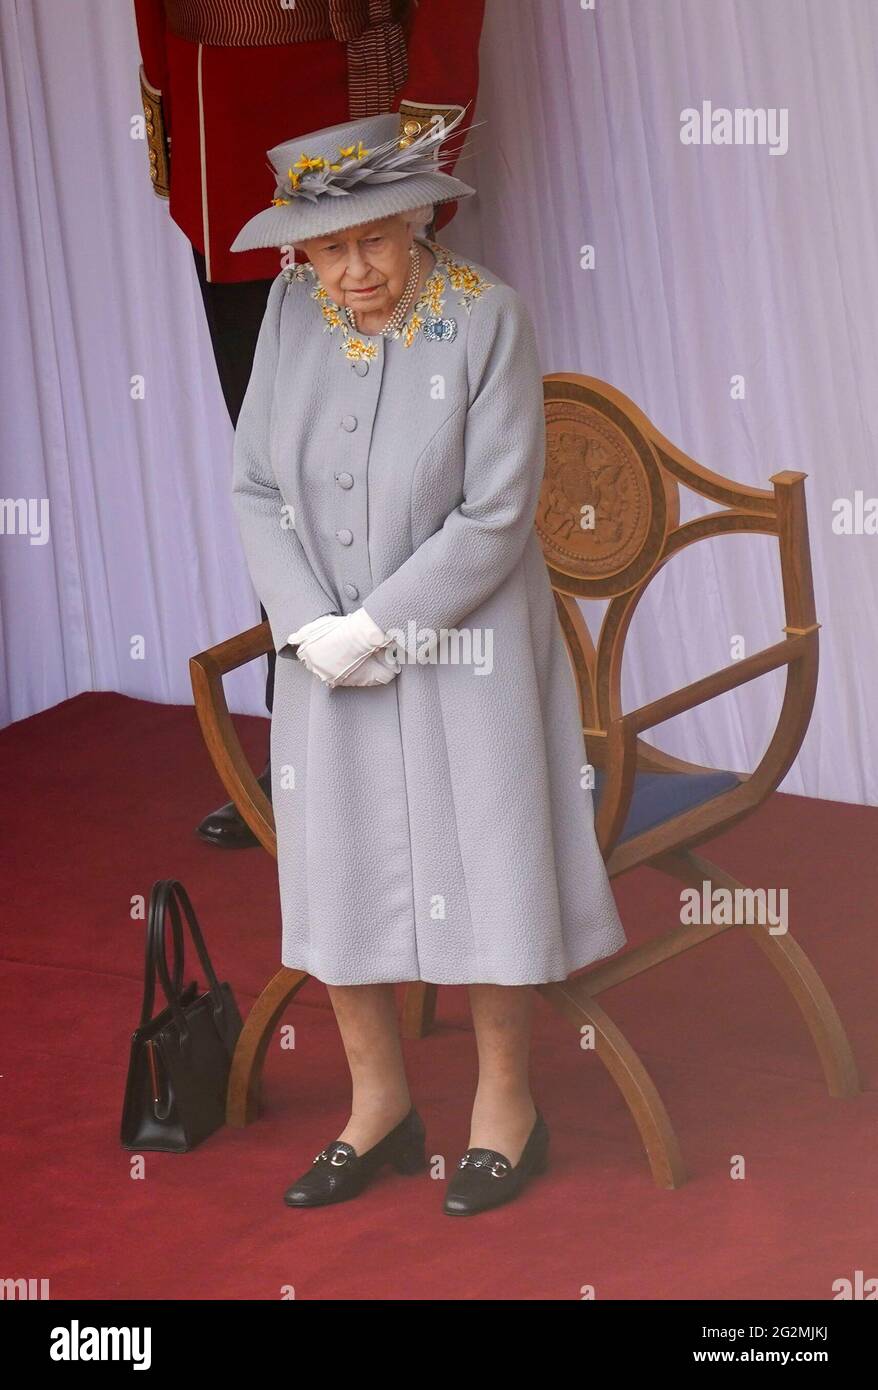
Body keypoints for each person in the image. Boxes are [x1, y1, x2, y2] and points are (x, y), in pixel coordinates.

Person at [229, 110, 628, 1216]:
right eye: (326, 245)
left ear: (418, 219)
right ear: (296, 250)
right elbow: (254, 488)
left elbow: (496, 512)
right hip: (323, 656)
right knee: (338, 862)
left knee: (489, 857)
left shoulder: (487, 317)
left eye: (373, 238)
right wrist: (308, 623)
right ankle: (379, 1108)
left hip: (468, 648)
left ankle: (505, 1105)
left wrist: (383, 623)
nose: (351, 270)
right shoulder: (285, 314)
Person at [133, 0, 486, 846]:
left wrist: (422, 135)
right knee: (278, 473)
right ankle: (305, 752)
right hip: (225, 135)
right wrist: (169, 110)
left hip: (348, 127)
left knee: (396, 467)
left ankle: (421, 741)